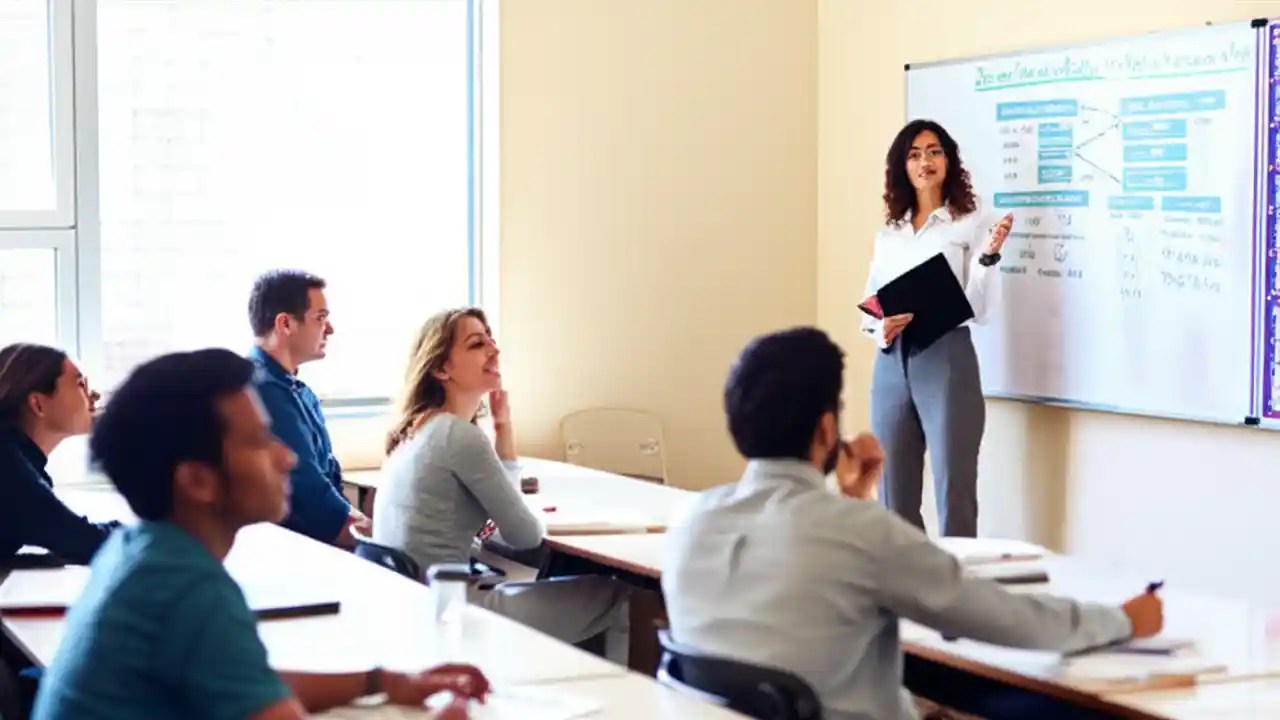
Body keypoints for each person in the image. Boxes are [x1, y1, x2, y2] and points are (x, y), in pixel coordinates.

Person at [662, 327, 1163, 720]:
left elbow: (807, 556)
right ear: (827, 429)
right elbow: (1002, 617)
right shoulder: (854, 533)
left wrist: (850, 498)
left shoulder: (691, 522)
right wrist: (1121, 621)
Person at [32, 349, 490, 720]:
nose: (286, 458)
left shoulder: (141, 552)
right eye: (257, 442)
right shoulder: (187, 589)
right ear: (196, 481)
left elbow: (245, 680)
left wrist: (384, 682)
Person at [373, 307, 630, 662]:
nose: (495, 350)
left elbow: (501, 519)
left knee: (558, 579)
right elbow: (524, 535)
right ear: (441, 368)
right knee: (617, 591)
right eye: (478, 343)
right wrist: (524, 513)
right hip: (461, 614)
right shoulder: (458, 436)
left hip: (420, 611)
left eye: (491, 339)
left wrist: (503, 426)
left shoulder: (415, 431)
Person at [860, 118, 1014, 537]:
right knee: (893, 493)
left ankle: (955, 594)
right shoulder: (890, 232)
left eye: (933, 151)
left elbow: (979, 308)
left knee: (953, 487)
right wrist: (880, 325)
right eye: (914, 155)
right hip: (891, 360)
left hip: (946, 355)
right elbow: (869, 303)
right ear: (901, 167)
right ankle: (906, 591)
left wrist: (988, 259)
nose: (924, 161)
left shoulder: (970, 220)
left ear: (948, 160)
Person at [248, 269, 367, 547]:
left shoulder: (300, 392)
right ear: (286, 324)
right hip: (295, 551)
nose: (330, 328)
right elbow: (312, 498)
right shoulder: (262, 392)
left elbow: (330, 481)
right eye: (320, 318)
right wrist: (385, 544)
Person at [0, 343, 118, 565]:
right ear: (38, 404)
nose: (94, 395)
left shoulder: (17, 461)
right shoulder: (7, 467)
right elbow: (87, 542)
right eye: (80, 384)